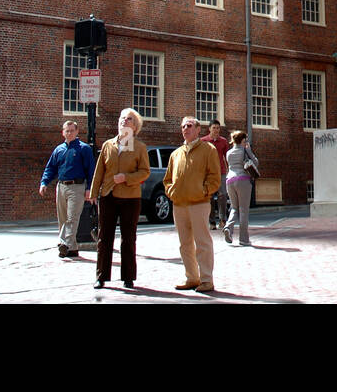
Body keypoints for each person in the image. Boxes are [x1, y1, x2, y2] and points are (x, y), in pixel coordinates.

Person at [88, 107, 150, 290]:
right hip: (108, 195)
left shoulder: (139, 147)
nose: (124, 121)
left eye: (129, 119)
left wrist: (127, 178)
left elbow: (145, 172)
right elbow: (100, 170)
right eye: (122, 118)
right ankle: (101, 277)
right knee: (104, 238)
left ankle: (128, 277)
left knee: (128, 238)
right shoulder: (108, 145)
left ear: (135, 125)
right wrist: (93, 192)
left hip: (130, 197)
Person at [164, 116, 220, 293]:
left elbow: (214, 178)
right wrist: (172, 192)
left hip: (199, 204)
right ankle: (191, 277)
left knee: (202, 242)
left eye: (189, 126)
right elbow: (167, 179)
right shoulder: (176, 154)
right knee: (185, 244)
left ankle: (206, 280)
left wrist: (203, 191)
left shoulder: (208, 149)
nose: (185, 129)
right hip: (179, 205)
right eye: (183, 126)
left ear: (198, 129)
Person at [40, 120, 95, 258]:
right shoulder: (59, 150)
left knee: (72, 217)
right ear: (63, 132)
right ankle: (72, 248)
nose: (69, 133)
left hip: (77, 187)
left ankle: (63, 243)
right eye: (67, 130)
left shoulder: (84, 149)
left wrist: (89, 189)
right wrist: (44, 183)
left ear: (77, 132)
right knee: (63, 219)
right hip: (61, 186)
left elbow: (91, 171)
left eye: (72, 130)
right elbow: (50, 168)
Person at [222, 130, 259, 246]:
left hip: (229, 180)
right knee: (243, 210)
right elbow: (255, 162)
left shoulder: (228, 153)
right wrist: (249, 150)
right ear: (243, 140)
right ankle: (244, 239)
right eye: (245, 140)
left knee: (234, 207)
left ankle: (228, 227)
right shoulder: (244, 151)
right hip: (243, 180)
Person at [200, 119, 231, 229]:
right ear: (209, 129)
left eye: (218, 128)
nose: (216, 130)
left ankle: (223, 220)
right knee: (209, 197)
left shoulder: (223, 141)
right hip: (207, 173)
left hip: (221, 172)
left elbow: (227, 157)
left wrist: (229, 169)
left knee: (222, 195)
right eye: (214, 128)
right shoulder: (203, 141)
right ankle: (211, 222)